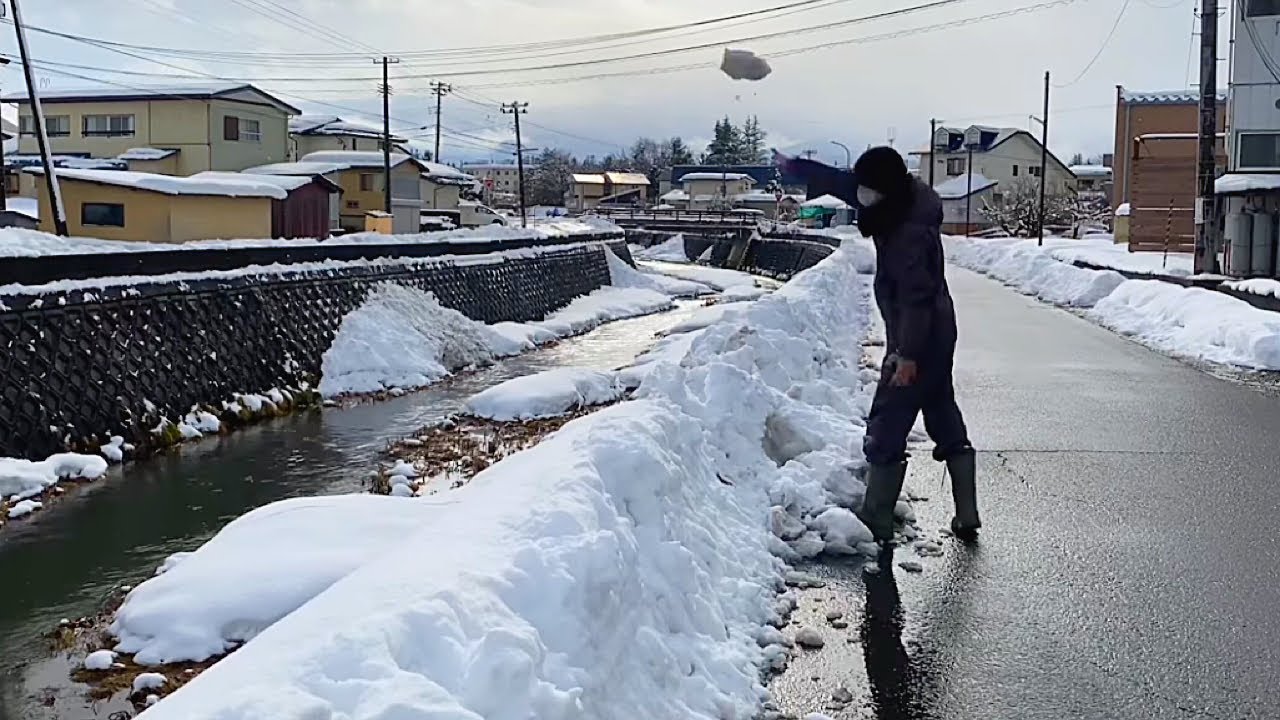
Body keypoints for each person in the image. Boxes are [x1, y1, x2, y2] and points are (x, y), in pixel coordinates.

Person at [780, 147, 980, 543]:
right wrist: (799, 167)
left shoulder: (908, 233)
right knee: (940, 408)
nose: (862, 195)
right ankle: (967, 512)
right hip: (937, 332)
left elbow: (916, 298)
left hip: (918, 335)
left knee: (888, 420)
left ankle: (876, 519)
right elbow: (845, 183)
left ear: (883, 189)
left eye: (869, 188)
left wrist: (906, 355)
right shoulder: (899, 202)